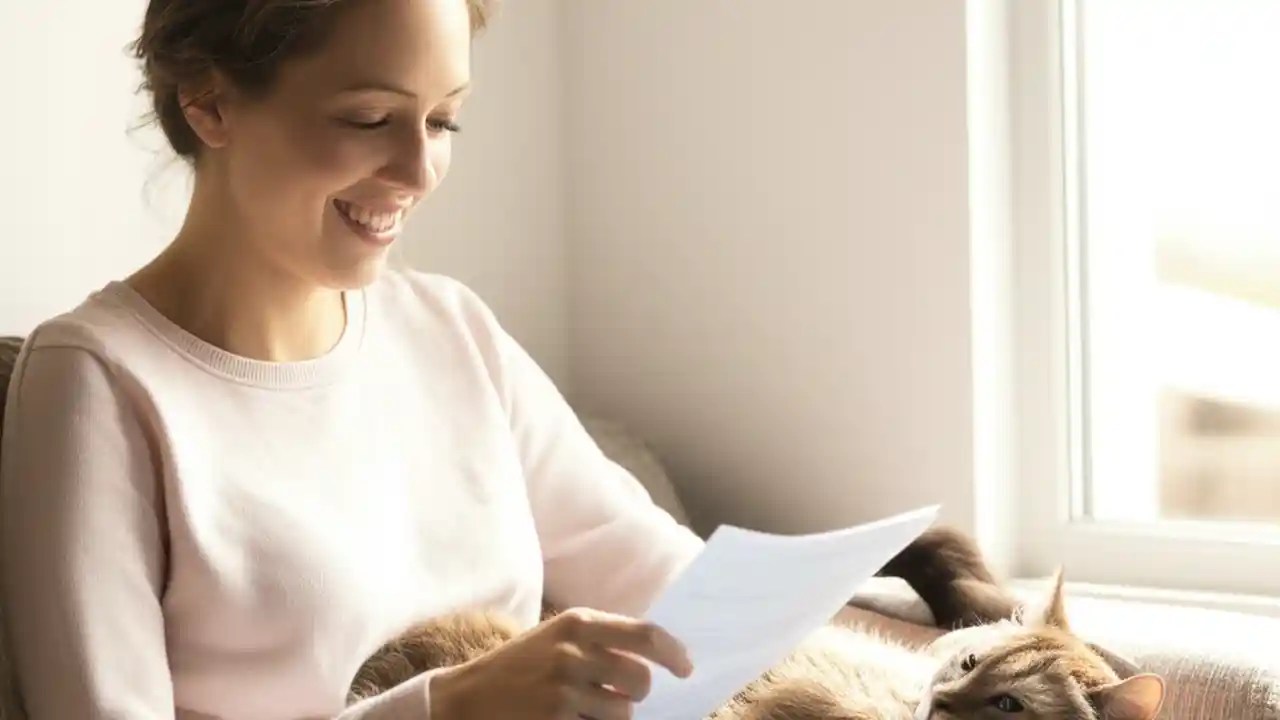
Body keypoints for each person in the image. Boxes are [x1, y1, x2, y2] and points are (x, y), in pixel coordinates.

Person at [0, 0, 701, 717]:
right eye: (369, 119)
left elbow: (683, 593)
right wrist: (447, 706)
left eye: (442, 121)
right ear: (208, 102)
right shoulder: (95, 381)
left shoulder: (448, 328)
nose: (419, 172)